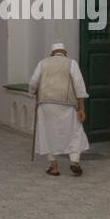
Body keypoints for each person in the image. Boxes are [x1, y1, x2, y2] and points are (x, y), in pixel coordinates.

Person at [28, 42, 89, 176]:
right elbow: (79, 86)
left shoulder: (43, 63)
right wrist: (82, 108)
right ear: (65, 53)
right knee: (76, 131)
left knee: (48, 133)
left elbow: (33, 82)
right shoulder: (71, 63)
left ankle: (54, 167)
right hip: (67, 103)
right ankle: (74, 162)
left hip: (45, 104)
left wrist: (32, 92)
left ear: (52, 54)